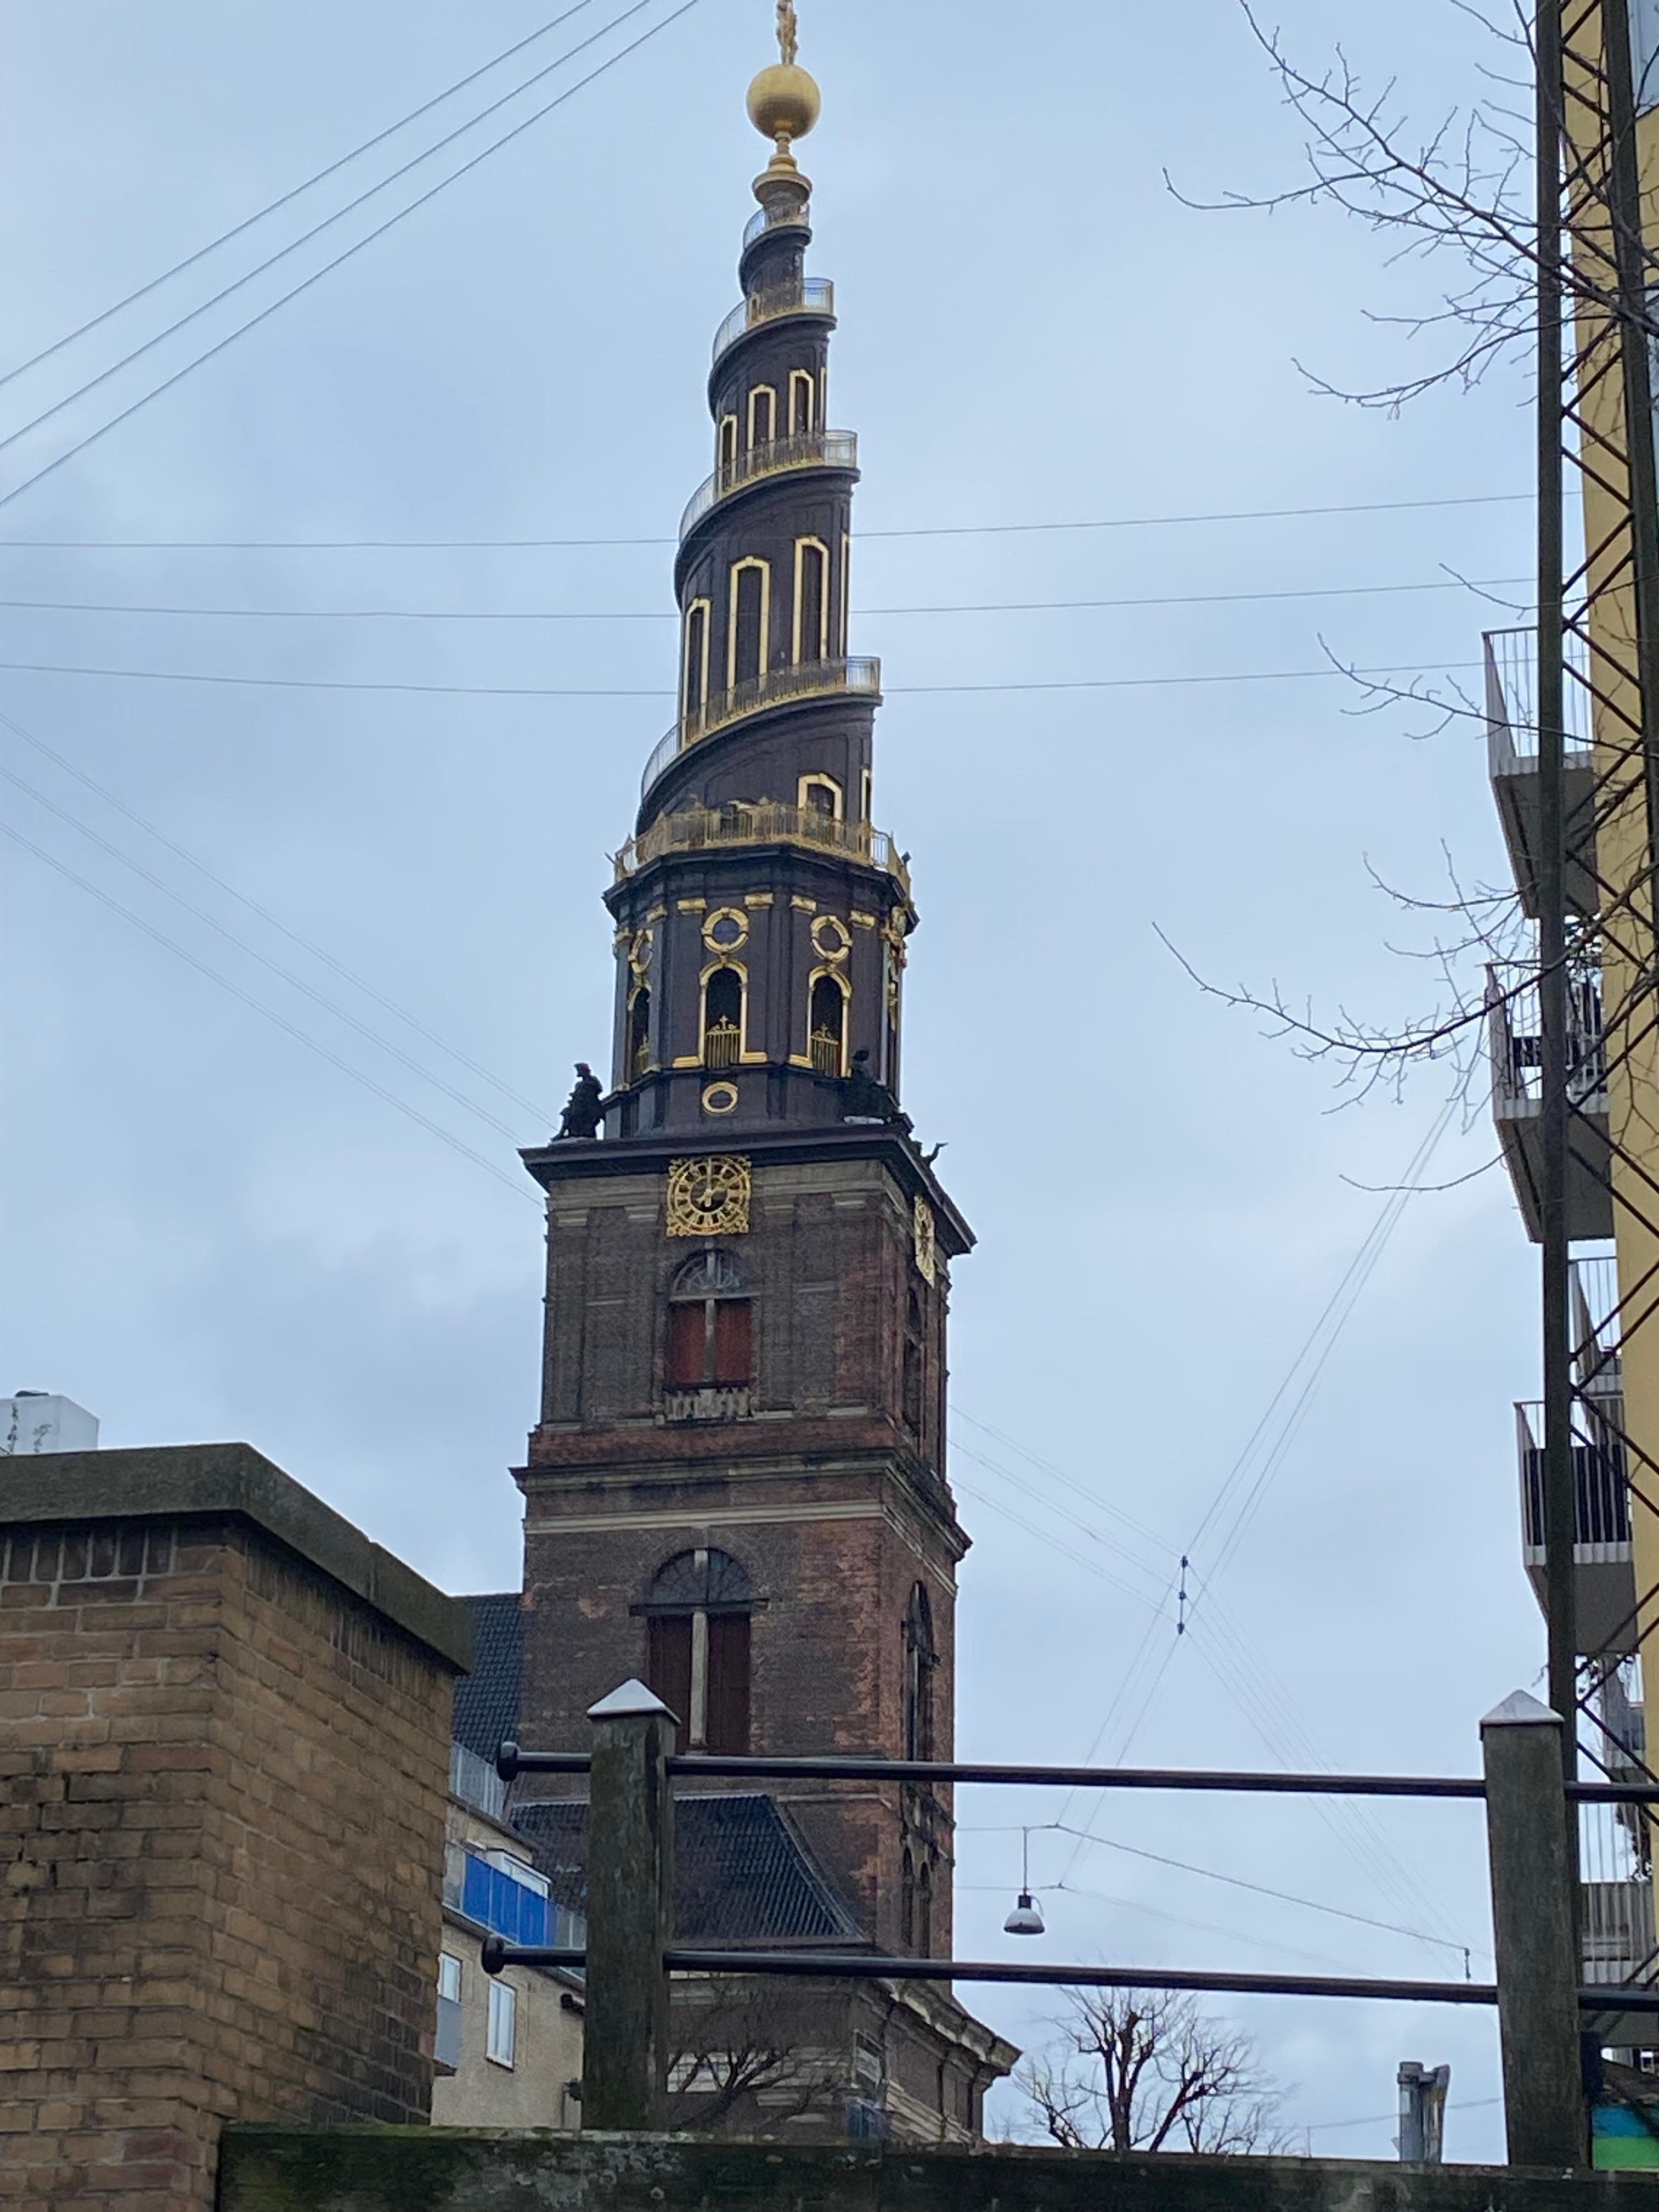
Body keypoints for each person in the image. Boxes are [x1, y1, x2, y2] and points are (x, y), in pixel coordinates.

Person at [556, 1062, 605, 1141]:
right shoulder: (579, 1084)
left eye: (579, 1070)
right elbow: (577, 1094)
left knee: (578, 1113)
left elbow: (598, 1090)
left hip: (589, 1105)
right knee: (567, 1113)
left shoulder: (593, 1080)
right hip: (578, 1105)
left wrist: (586, 1091)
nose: (579, 1072)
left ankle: (580, 1132)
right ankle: (563, 1133)